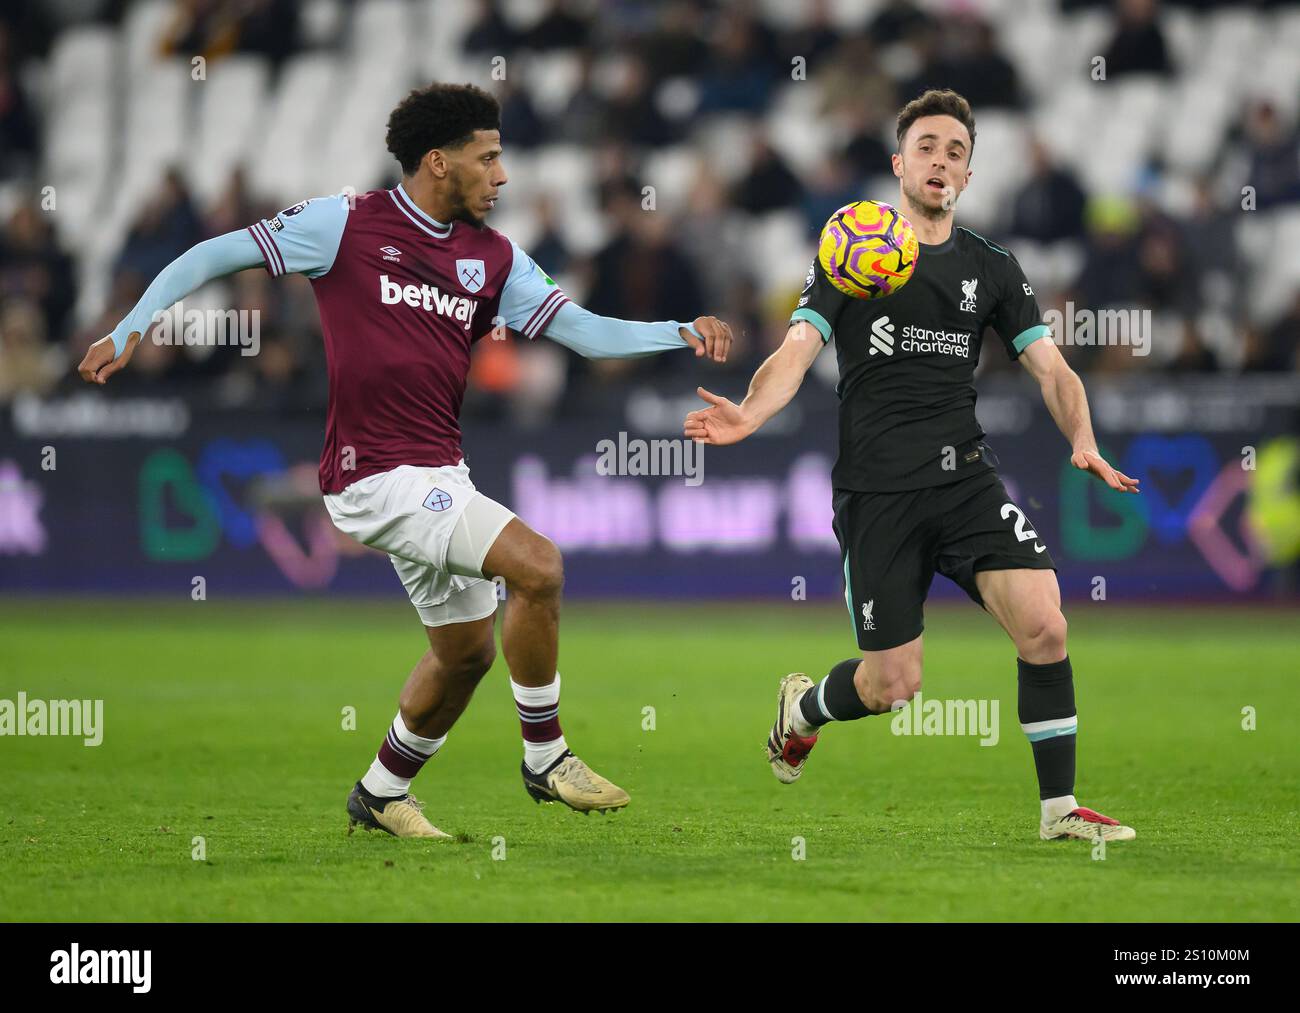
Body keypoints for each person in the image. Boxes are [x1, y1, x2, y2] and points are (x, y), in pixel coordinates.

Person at [78, 83, 733, 838]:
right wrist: (132, 325)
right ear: (437, 161)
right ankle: (546, 755)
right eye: (488, 158)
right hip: (370, 476)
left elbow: (583, 332)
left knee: (464, 655)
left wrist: (677, 331)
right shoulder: (346, 224)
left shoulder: (494, 258)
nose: (502, 175)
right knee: (539, 565)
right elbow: (212, 254)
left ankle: (381, 791)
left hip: (439, 475)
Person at [684, 89, 1138, 844]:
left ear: (967, 173)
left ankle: (1059, 811)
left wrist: (1081, 439)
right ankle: (802, 709)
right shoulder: (850, 251)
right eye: (927, 146)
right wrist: (752, 412)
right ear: (899, 162)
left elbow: (1054, 371)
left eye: (956, 151)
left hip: (965, 479)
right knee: (894, 685)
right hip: (879, 492)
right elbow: (798, 349)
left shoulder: (992, 267)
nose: (941, 161)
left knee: (1046, 625)